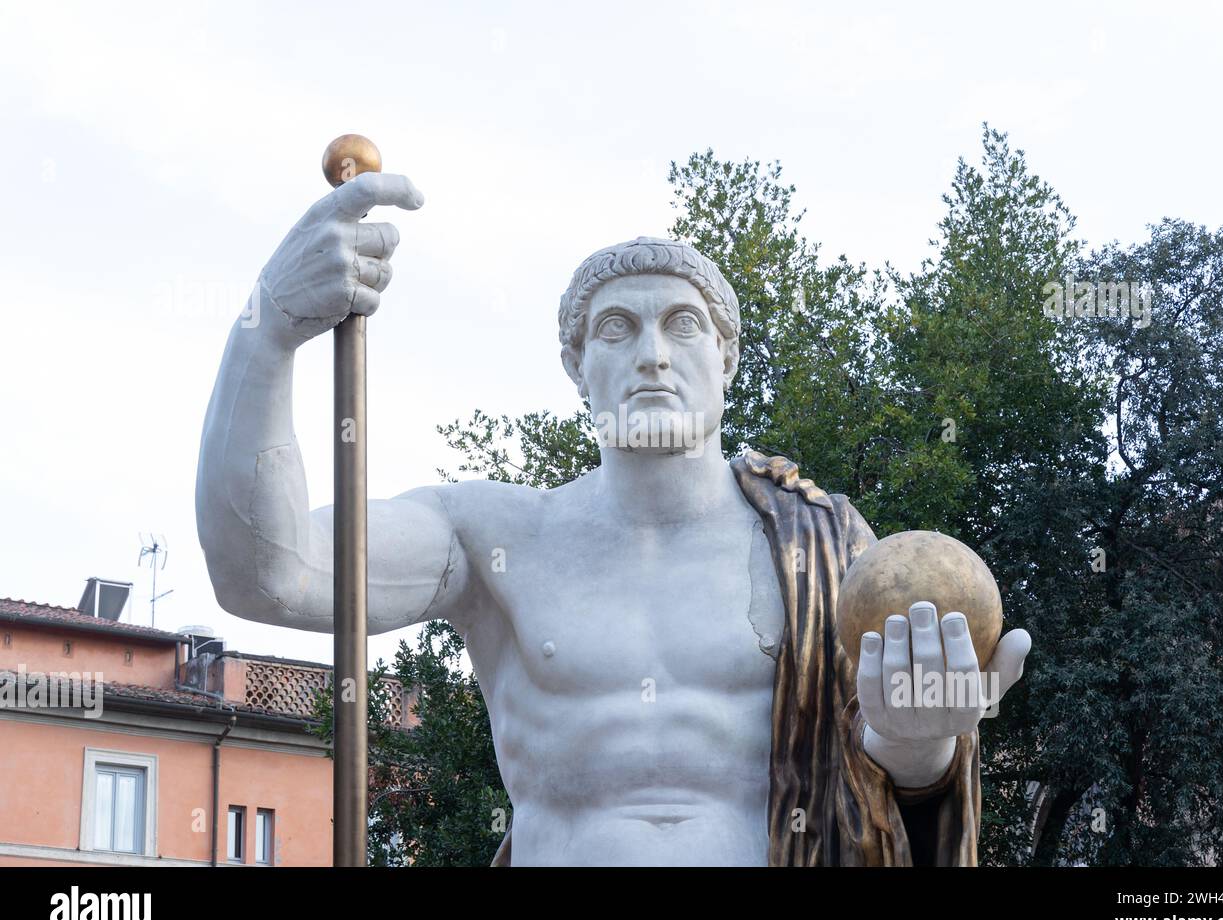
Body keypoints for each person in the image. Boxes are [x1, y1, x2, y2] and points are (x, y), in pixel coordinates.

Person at [196, 172, 1031, 865]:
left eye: (684, 325)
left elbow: (890, 790)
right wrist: (268, 328)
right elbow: (268, 573)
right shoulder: (490, 535)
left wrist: (919, 745)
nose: (654, 354)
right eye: (618, 328)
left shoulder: (830, 554)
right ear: (577, 364)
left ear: (726, 358)